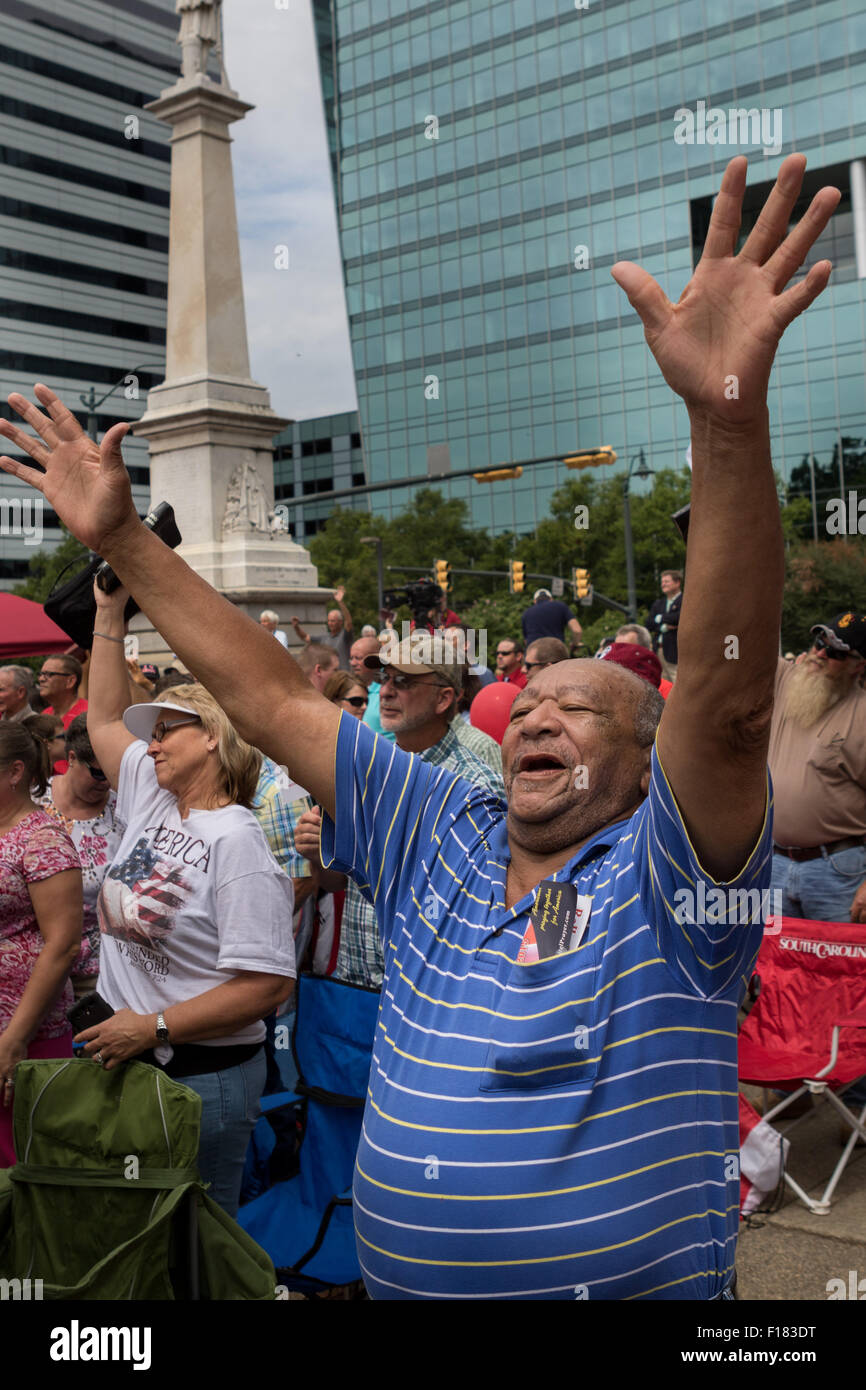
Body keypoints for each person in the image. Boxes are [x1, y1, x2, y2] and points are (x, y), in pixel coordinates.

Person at [1, 153, 841, 1298]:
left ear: (646, 771)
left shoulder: (669, 881)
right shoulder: (439, 820)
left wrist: (723, 412)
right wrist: (129, 548)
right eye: (531, 702)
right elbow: (277, 699)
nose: (538, 711)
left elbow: (733, 706)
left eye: (577, 709)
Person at [64, 581, 296, 1217]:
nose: (153, 743)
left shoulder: (239, 842)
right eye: (155, 733)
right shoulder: (152, 794)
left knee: (194, 1240)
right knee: (133, 1230)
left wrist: (154, 1026)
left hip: (199, 1079)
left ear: (215, 736)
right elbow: (105, 719)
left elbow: (267, 985)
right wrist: (109, 614)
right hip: (127, 1060)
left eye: (169, 729)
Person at [296, 640, 504, 989]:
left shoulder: (476, 785)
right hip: (354, 985)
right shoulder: (367, 767)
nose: (386, 692)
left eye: (404, 681)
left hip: (423, 992)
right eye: (386, 678)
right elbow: (338, 882)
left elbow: (486, 908)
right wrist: (319, 855)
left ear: (444, 698)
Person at [0, 722, 82, 1166]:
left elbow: (63, 945)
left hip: (22, 1036)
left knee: (22, 1166)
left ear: (15, 772)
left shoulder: (42, 838)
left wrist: (15, 1039)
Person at [769, 613, 866, 924]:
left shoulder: (862, 714)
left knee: (839, 970)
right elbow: (736, 640)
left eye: (835, 652)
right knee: (774, 967)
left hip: (839, 871)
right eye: (819, 642)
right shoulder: (785, 682)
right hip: (774, 863)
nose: (820, 653)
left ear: (858, 665)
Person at [33, 713, 125, 1000]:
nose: (106, 783)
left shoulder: (125, 810)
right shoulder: (34, 800)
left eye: (113, 774)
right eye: (98, 773)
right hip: (39, 970)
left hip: (103, 974)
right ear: (72, 758)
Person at [38, 654, 87, 774]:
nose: (41, 679)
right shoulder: (44, 714)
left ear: (70, 681)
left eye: (49, 674)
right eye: (41, 674)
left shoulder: (87, 714)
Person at [291, 586, 354, 670]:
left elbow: (349, 622)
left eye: (333, 621)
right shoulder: (324, 638)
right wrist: (296, 627)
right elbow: (305, 637)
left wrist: (340, 602)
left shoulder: (345, 636)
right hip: (328, 677)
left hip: (343, 676)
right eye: (329, 621)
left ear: (340, 622)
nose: (330, 623)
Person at [350, 634, 395, 741]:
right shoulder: (349, 688)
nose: (353, 663)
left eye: (358, 658)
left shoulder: (390, 691)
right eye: (351, 658)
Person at [647, 571, 683, 681]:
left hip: (677, 651)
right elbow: (649, 624)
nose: (663, 584)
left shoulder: (685, 600)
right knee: (662, 684)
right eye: (662, 582)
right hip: (659, 650)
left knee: (677, 682)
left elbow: (679, 618)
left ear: (677, 583)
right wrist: (664, 627)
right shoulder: (659, 603)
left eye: (667, 581)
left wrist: (660, 618)